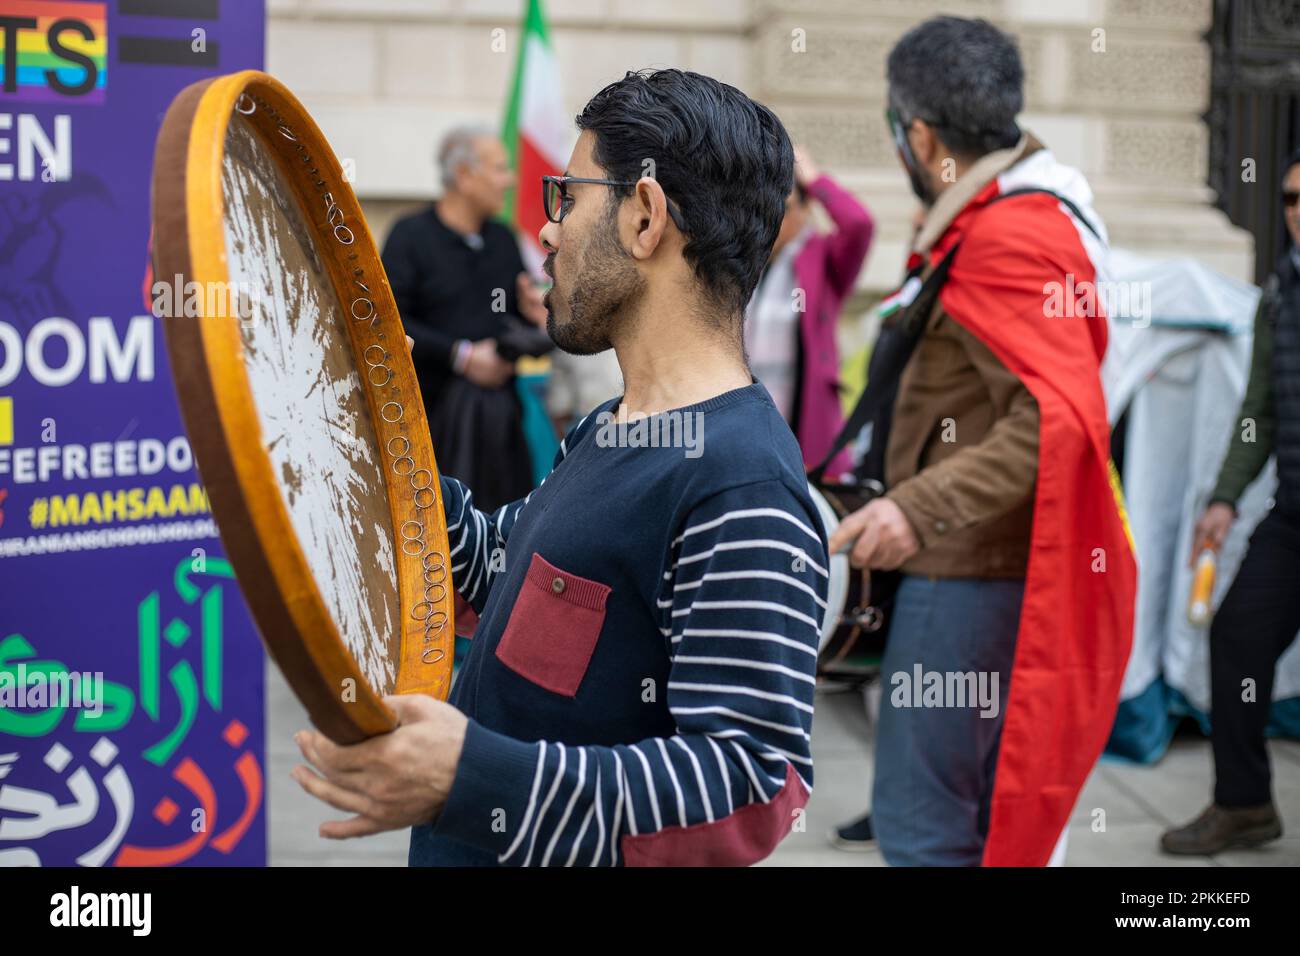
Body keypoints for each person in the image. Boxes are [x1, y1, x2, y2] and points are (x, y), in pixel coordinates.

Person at [291, 69, 828, 867]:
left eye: (567, 197)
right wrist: (379, 434)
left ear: (645, 217)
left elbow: (751, 787)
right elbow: (486, 574)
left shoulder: (739, 483)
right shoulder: (612, 428)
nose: (545, 232)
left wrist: (471, 775)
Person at [828, 16, 1135, 865]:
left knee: (924, 831)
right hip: (969, 567)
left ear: (920, 136)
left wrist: (916, 510)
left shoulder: (1008, 234)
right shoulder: (1007, 214)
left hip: (967, 572)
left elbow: (1059, 418)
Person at [1160, 149, 1300, 856]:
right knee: (1237, 637)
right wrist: (1223, 500)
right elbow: (1260, 412)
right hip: (1292, 519)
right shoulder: (1280, 295)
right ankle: (1244, 804)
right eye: (1291, 198)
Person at [381, 126, 549, 511]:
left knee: (506, 529)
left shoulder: (502, 240)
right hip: (429, 429)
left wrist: (536, 318)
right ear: (464, 176)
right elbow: (387, 320)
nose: (509, 181)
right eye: (499, 168)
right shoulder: (410, 237)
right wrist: (463, 357)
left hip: (500, 430)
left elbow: (513, 320)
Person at [743, 145, 874, 475]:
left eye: (784, 209)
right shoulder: (747, 264)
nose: (773, 221)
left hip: (806, 431)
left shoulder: (822, 257)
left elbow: (859, 223)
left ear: (804, 208)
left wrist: (814, 179)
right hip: (751, 425)